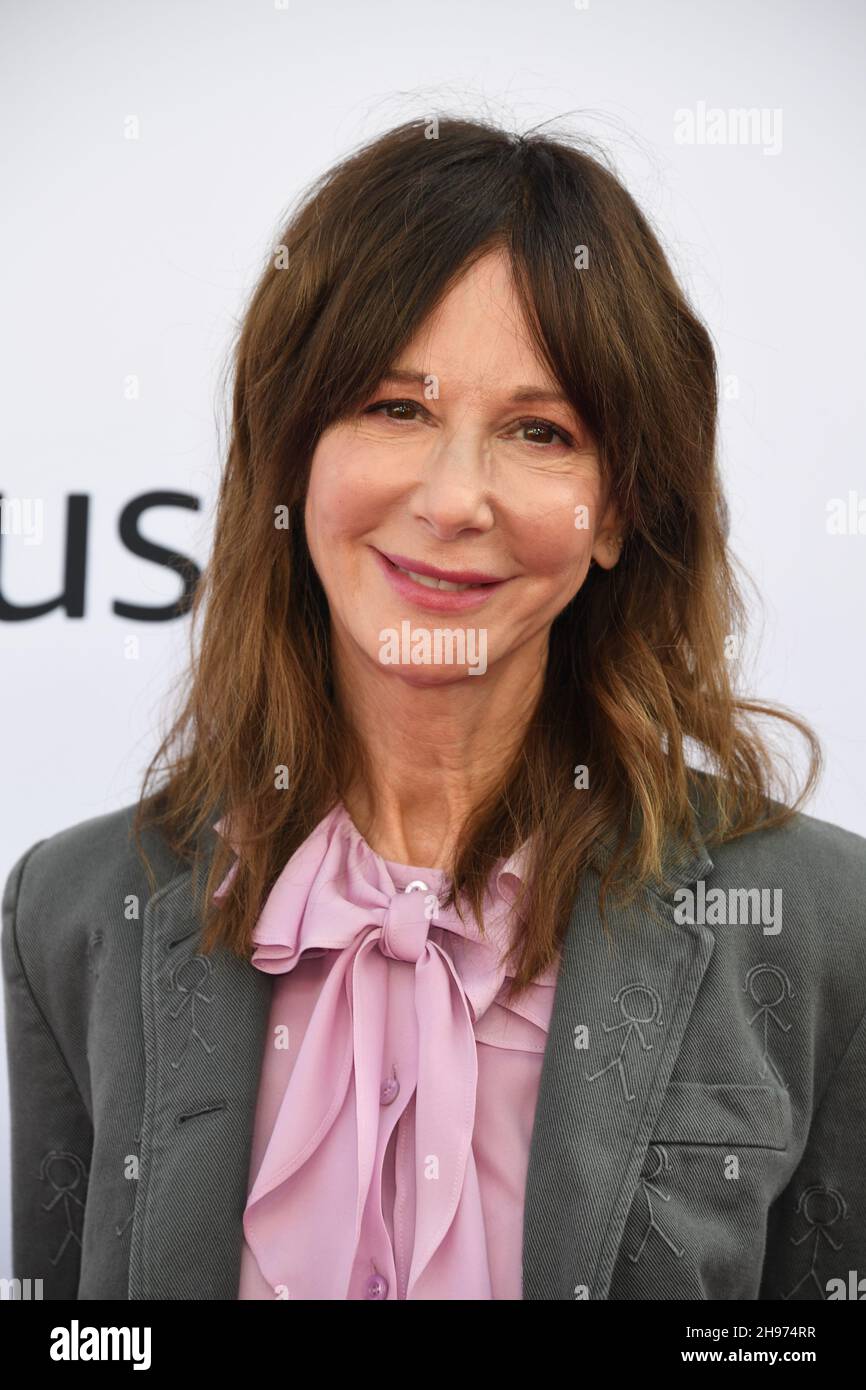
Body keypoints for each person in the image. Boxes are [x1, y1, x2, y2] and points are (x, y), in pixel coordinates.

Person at [3, 116, 865, 1302]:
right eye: (395, 408)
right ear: (291, 452)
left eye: (539, 430)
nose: (455, 497)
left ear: (613, 511)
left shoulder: (822, 924)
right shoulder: (80, 908)